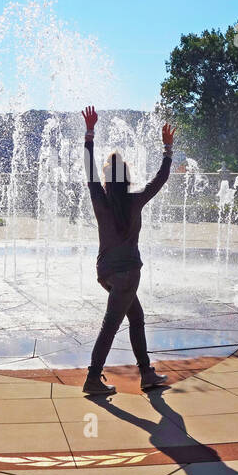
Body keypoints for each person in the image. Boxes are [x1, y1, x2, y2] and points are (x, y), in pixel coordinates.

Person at [81, 105, 173, 397]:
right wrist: (167, 149)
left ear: (108, 177)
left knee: (136, 317)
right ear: (128, 175)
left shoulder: (99, 198)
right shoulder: (136, 200)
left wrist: (90, 133)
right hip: (127, 273)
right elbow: (161, 178)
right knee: (110, 325)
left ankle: (146, 373)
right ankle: (93, 378)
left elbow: (88, 167)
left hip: (106, 272)